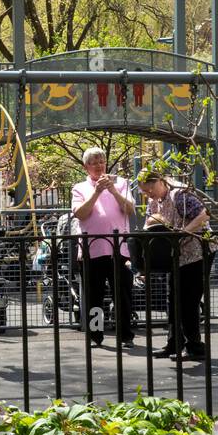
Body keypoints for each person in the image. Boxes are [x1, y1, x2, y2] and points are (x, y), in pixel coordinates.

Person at [139, 168, 210, 360]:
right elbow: (149, 225)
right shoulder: (154, 202)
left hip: (195, 253)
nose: (148, 195)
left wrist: (184, 232)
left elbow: (204, 215)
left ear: (160, 181)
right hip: (175, 257)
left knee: (189, 301)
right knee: (173, 301)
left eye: (149, 189)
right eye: (144, 192)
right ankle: (174, 343)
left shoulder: (179, 195)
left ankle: (195, 346)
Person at [70, 147, 136, 348]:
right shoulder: (79, 188)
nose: (99, 166)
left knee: (123, 294)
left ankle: (126, 335)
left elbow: (130, 209)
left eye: (102, 161)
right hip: (92, 249)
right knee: (94, 297)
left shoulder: (122, 183)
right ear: (86, 167)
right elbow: (81, 214)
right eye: (94, 162)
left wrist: (113, 190)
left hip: (119, 249)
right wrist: (97, 192)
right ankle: (95, 335)